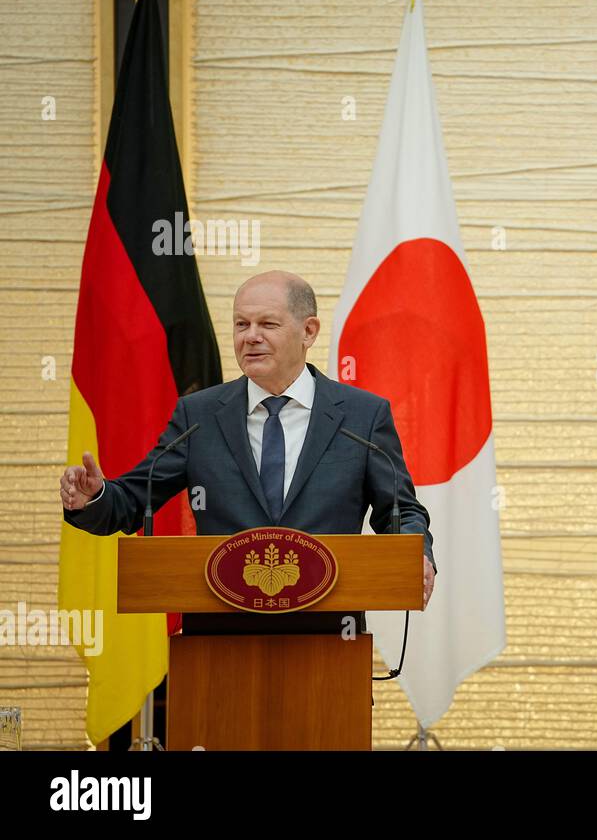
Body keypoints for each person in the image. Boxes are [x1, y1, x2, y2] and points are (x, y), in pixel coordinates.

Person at [60, 270, 436, 631]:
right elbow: (132, 500)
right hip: (220, 638)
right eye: (241, 325)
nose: (250, 337)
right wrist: (96, 497)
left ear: (309, 331)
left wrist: (416, 552)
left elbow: (398, 509)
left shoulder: (362, 416)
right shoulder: (199, 414)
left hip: (329, 638)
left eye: (267, 324)